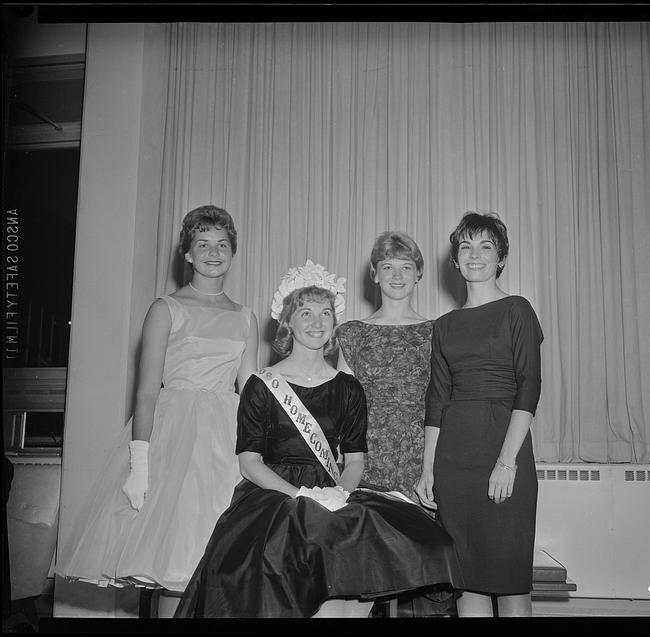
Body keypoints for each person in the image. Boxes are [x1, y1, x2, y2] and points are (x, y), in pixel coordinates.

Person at [174, 262, 462, 618]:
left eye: (325, 312)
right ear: (288, 322)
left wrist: (338, 493)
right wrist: (300, 496)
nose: (316, 321)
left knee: (386, 544)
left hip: (333, 487)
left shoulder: (348, 387)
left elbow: (354, 461)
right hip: (275, 493)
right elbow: (249, 463)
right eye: (305, 312)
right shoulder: (262, 385)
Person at [56, 205, 259, 617]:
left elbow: (252, 393)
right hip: (175, 441)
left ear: (233, 252)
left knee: (223, 567)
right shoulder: (166, 308)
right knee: (176, 566)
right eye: (203, 244)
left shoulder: (245, 317)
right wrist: (140, 465)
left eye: (222, 244)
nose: (213, 252)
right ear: (187, 253)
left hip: (227, 444)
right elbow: (147, 394)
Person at [416, 212, 544, 617]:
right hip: (454, 461)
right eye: (465, 247)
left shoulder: (517, 310)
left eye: (486, 246)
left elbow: (529, 387)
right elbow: (437, 398)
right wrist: (428, 470)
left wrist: (507, 462)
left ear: (500, 258)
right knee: (465, 579)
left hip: (503, 451)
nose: (475, 255)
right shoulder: (444, 325)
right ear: (455, 260)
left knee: (509, 579)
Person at [337, 232, 432, 500]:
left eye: (406, 267)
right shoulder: (352, 333)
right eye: (388, 267)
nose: (397, 275)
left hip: (420, 459)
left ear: (418, 274)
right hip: (363, 457)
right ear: (375, 274)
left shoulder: (436, 332)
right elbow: (341, 406)